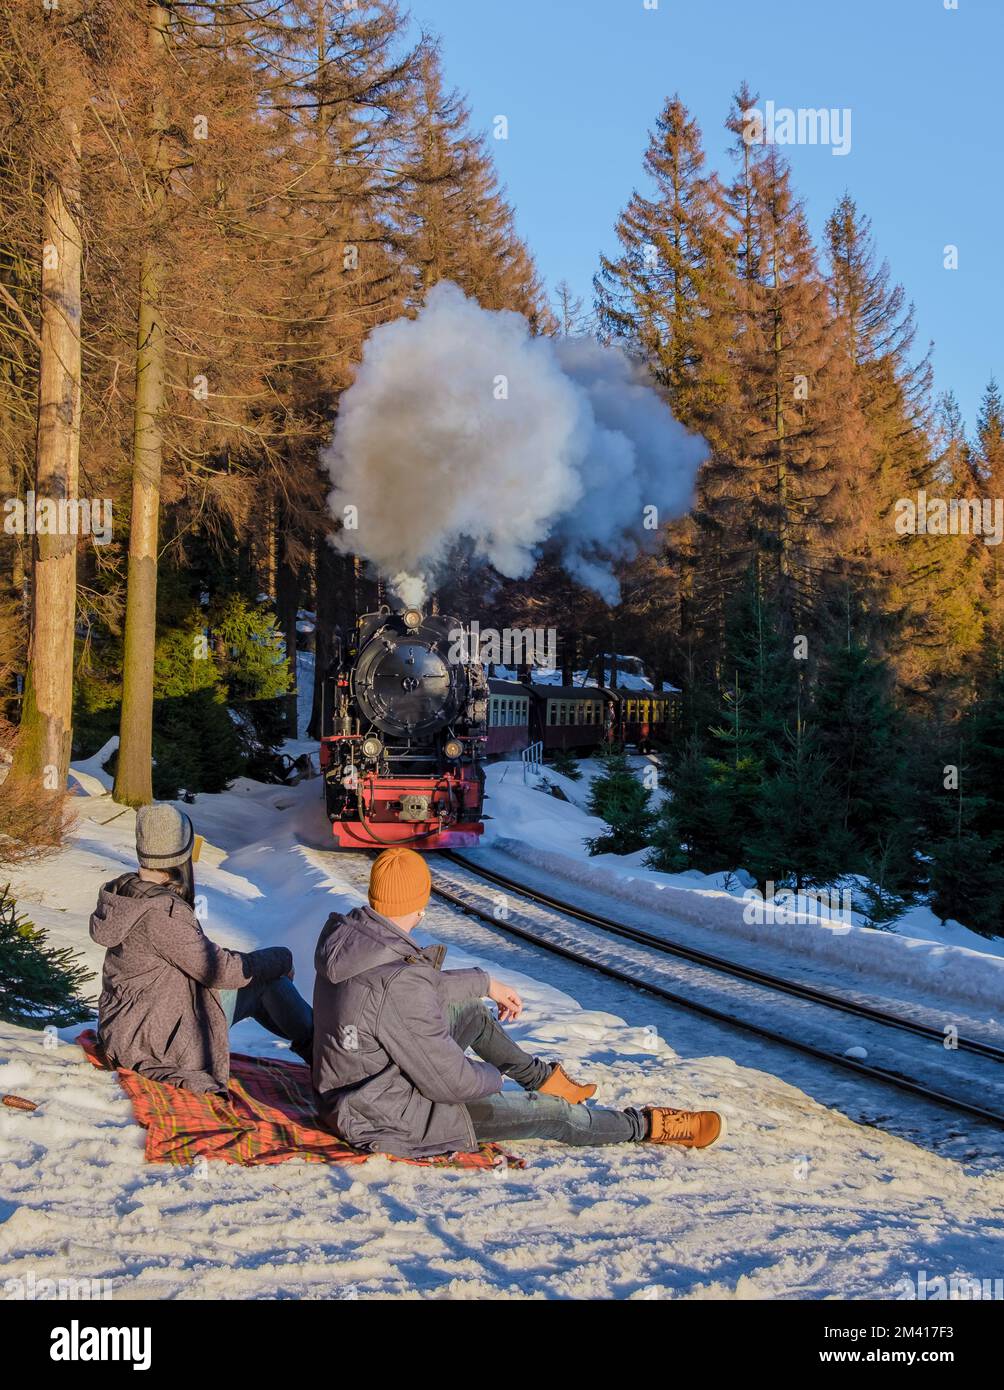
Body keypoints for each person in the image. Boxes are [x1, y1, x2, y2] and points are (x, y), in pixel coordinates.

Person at [312, 847, 725, 1157]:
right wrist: (494, 1078)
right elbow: (450, 1081)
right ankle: (648, 1125)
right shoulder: (398, 980)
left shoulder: (357, 941)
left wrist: (484, 983)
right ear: (421, 903)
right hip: (392, 1116)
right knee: (553, 1116)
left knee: (472, 1012)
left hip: (366, 1087)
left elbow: (410, 994)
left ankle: (545, 1078)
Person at [89, 803, 313, 1091]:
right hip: (153, 1040)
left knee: (259, 979)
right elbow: (220, 971)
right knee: (267, 985)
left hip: (126, 1030)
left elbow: (199, 959)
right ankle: (332, 1058)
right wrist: (282, 958)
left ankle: (321, 1049)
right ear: (180, 854)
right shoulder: (161, 912)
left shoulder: (126, 892)